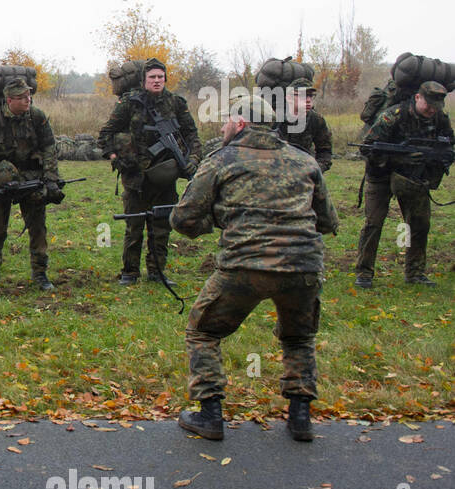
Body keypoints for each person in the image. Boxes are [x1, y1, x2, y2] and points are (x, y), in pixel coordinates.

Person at [170, 94, 339, 442]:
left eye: (227, 120)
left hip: (245, 266)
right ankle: (301, 416)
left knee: (203, 331)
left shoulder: (221, 160)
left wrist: (218, 222)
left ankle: (210, 414)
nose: (222, 126)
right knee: (299, 337)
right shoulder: (304, 160)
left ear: (241, 124)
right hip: (303, 266)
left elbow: (183, 217)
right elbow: (327, 221)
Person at [98, 58, 201, 287]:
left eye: (160, 77)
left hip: (165, 175)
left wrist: (193, 159)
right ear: (144, 80)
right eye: (152, 77)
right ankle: (129, 272)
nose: (156, 81)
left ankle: (157, 271)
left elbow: (192, 135)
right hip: (135, 176)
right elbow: (106, 134)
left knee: (162, 225)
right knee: (134, 225)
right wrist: (116, 159)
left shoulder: (176, 103)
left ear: (165, 79)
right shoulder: (130, 103)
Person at [354, 81, 452, 288]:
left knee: (419, 223)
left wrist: (440, 159)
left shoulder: (440, 119)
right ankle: (364, 273)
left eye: (436, 106)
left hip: (413, 178)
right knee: (373, 223)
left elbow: (449, 145)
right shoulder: (393, 115)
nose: (432, 110)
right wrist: (398, 159)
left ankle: (415, 273)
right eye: (428, 104)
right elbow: (367, 148)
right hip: (380, 175)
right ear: (417, 97)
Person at [0, 78, 63, 289]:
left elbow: (49, 147)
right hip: (1, 180)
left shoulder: (37, 116)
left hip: (31, 178)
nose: (27, 100)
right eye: (22, 97)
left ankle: (40, 273)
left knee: (37, 227)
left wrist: (51, 180)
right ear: (9, 100)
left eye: (29, 96)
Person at [275, 78, 333, 172]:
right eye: (303, 96)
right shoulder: (273, 118)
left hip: (304, 172)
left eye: (311, 96)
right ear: (289, 97)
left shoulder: (316, 120)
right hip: (276, 172)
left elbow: (325, 152)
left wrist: (314, 170)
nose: (308, 100)